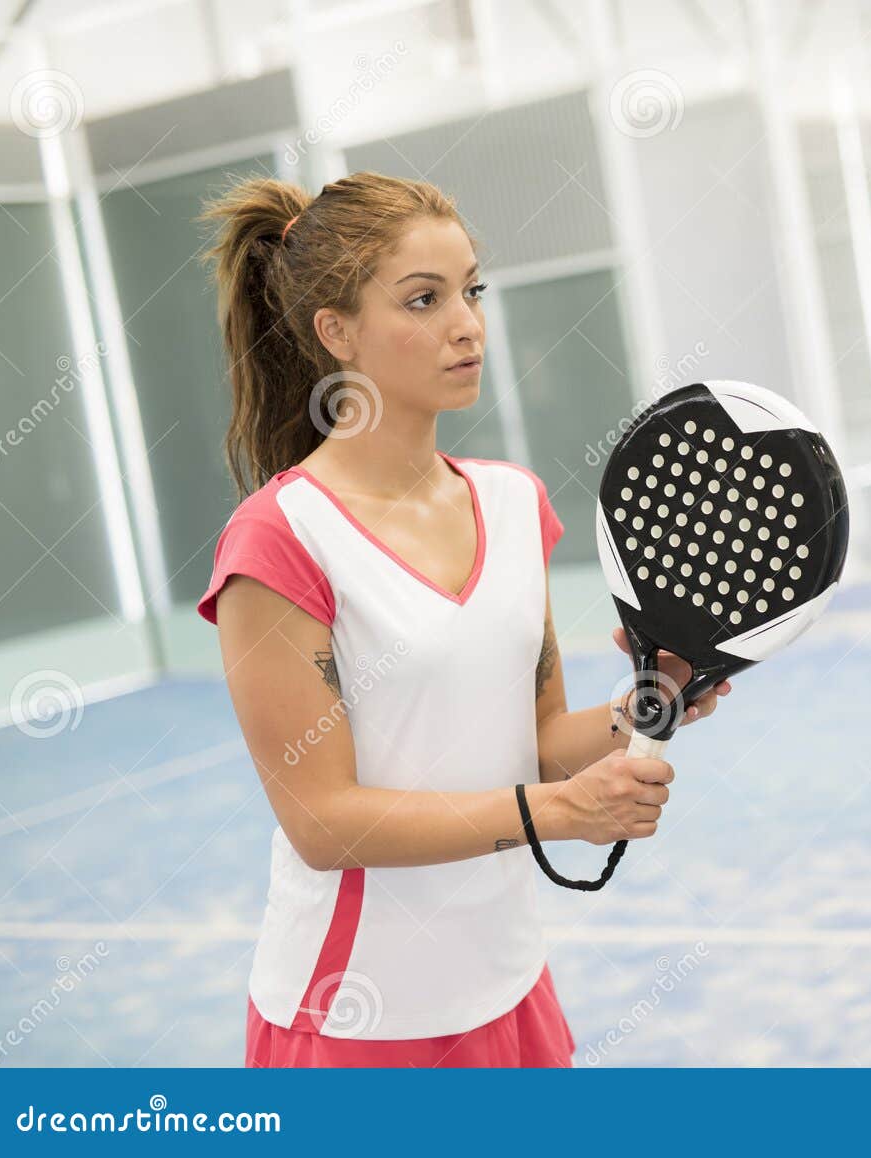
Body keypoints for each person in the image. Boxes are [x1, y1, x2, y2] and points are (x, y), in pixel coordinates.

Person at [197, 172, 731, 1065]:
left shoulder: (516, 503)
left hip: (512, 990)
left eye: (472, 291)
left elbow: (537, 741)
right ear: (337, 332)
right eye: (424, 299)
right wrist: (555, 813)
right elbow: (323, 823)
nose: (467, 324)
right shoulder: (278, 539)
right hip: (356, 1024)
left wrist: (648, 703)